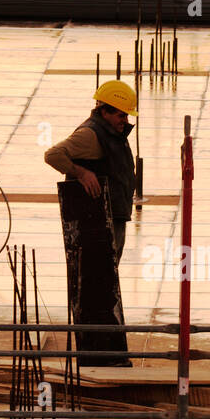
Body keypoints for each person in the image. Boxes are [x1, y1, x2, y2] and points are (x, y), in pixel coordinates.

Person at [44, 80, 138, 366]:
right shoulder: (90, 135)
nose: (125, 121)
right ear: (106, 111)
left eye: (127, 115)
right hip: (100, 221)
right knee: (100, 282)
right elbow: (53, 154)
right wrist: (80, 173)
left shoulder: (108, 132)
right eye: (121, 115)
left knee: (105, 281)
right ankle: (101, 350)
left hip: (113, 217)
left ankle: (104, 348)